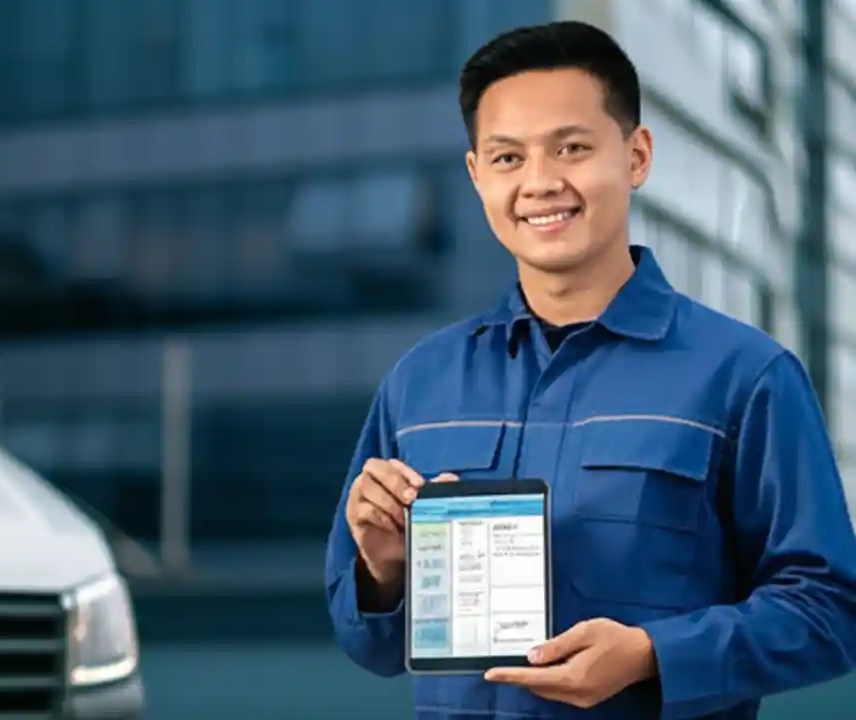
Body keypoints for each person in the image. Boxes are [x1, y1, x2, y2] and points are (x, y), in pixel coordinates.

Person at [324, 19, 856, 720]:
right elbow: (368, 642)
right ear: (477, 175)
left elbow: (829, 610)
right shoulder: (421, 382)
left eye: (571, 148)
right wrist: (386, 570)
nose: (541, 183)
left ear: (636, 157)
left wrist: (653, 654)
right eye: (508, 159)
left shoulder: (746, 375)